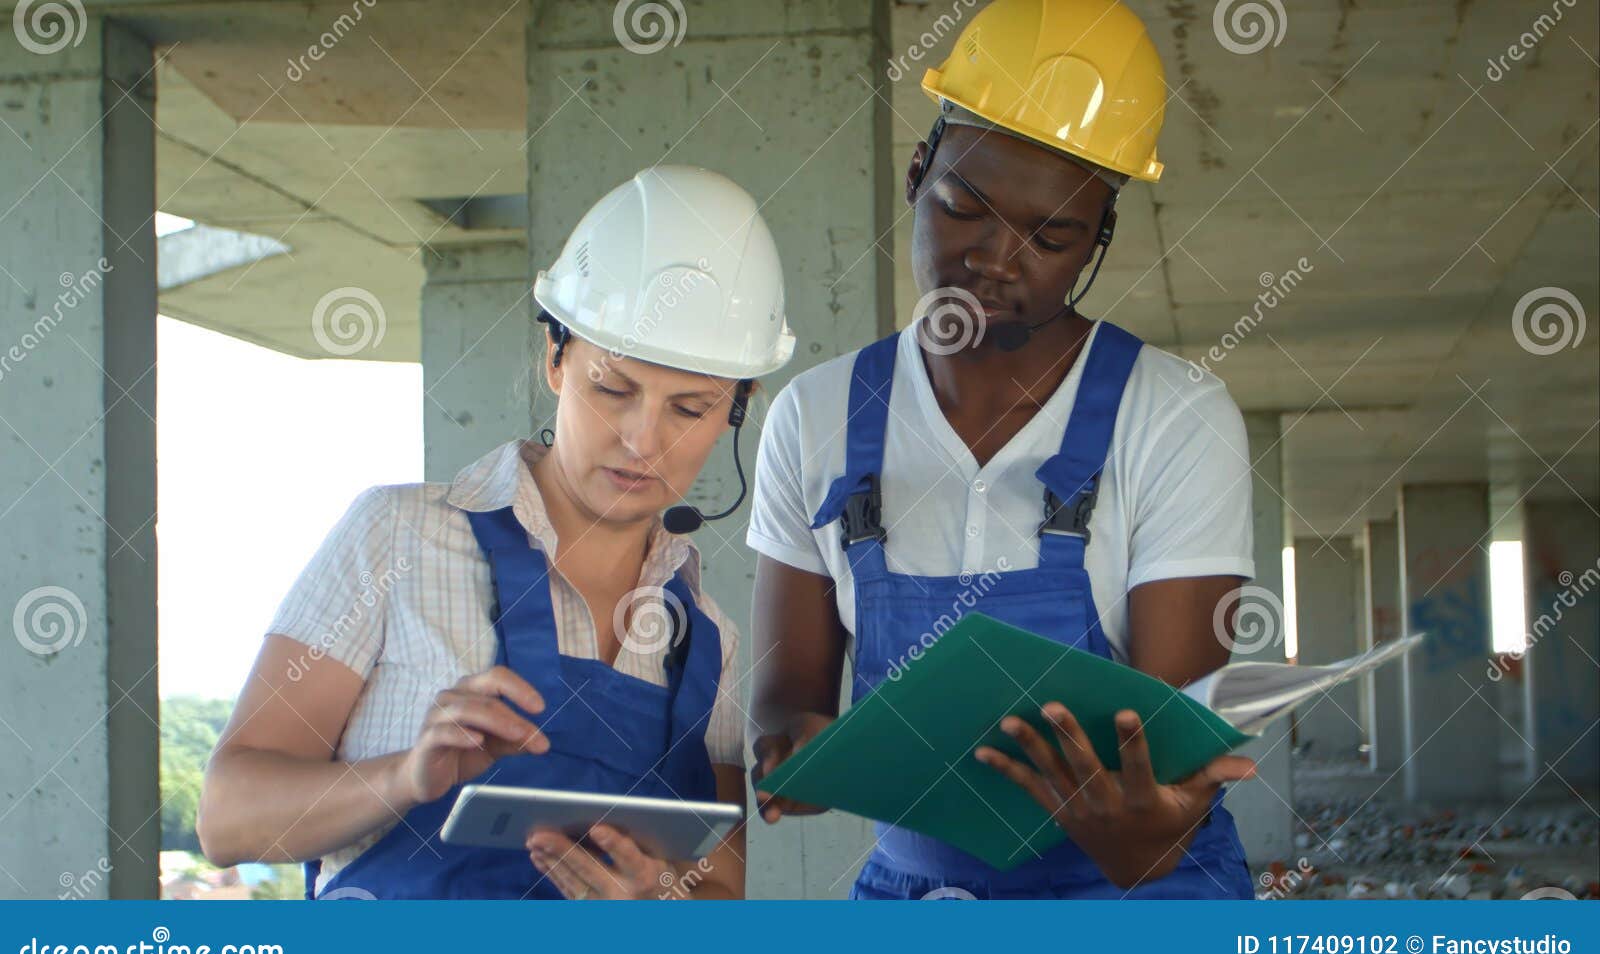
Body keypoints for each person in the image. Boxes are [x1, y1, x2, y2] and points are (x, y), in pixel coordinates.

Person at [745, 0, 1259, 899]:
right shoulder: (813, 416)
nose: (995, 258)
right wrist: (796, 754)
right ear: (917, 172)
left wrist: (1148, 835)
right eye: (963, 207)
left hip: (1140, 901)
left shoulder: (1173, 417)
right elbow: (789, 694)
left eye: (1051, 236)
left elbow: (1170, 747)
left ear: (1097, 240)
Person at [197, 165, 796, 899]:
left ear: (737, 408)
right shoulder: (396, 539)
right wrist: (404, 776)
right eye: (613, 388)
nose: (644, 439)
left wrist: (657, 902)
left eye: (690, 408)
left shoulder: (704, 641)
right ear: (555, 359)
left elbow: (719, 894)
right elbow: (227, 818)